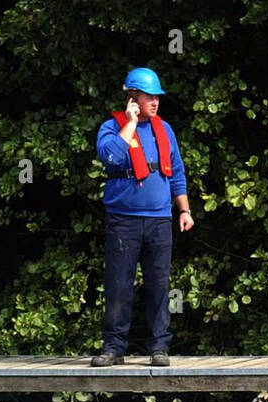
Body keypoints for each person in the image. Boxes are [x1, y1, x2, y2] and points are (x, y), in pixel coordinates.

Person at [93, 66, 194, 368]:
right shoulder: (112, 127)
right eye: (149, 96)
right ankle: (114, 348)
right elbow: (110, 156)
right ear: (133, 97)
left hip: (160, 219)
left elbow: (176, 172)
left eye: (157, 97)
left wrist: (185, 210)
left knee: (159, 284)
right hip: (123, 220)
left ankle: (159, 347)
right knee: (119, 284)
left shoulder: (165, 130)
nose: (155, 102)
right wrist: (131, 123)